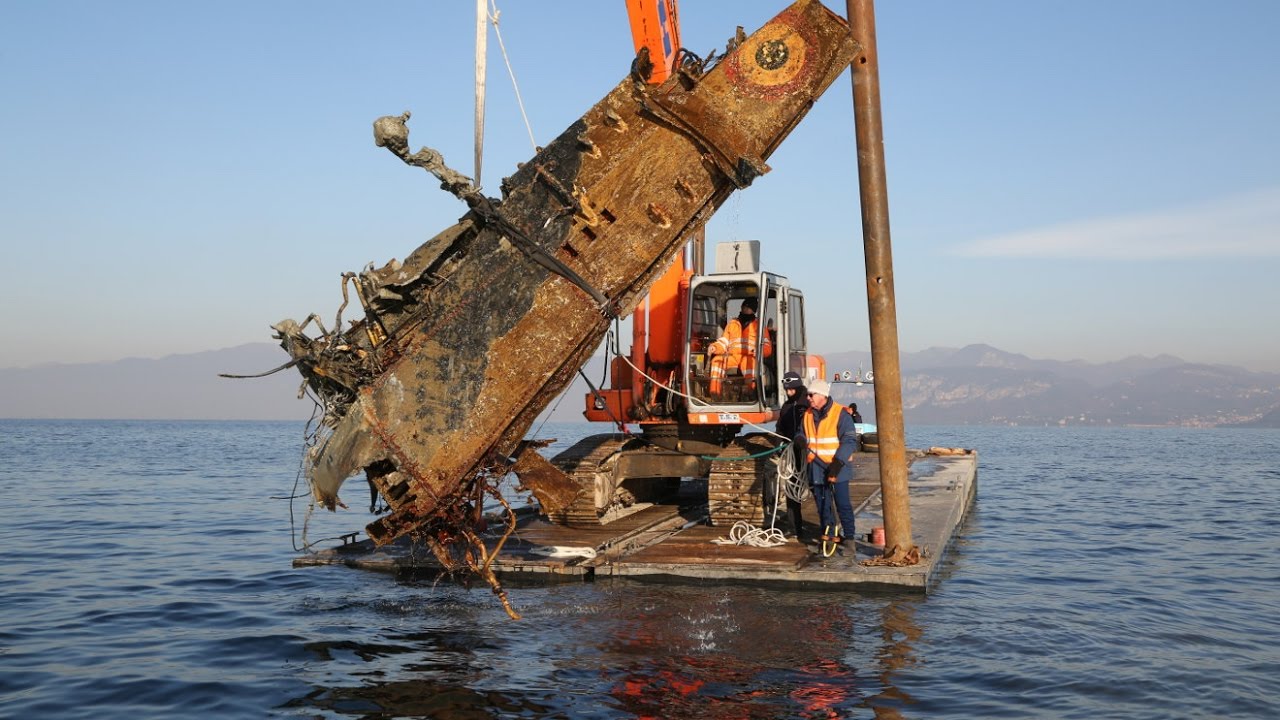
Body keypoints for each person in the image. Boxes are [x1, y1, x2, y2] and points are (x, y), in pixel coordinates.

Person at [794, 379, 858, 551]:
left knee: (842, 504)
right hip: (815, 467)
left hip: (837, 468)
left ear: (822, 395)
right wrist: (799, 438)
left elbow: (850, 441)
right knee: (823, 505)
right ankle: (828, 535)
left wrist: (837, 463)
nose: (808, 398)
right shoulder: (807, 415)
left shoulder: (841, 414)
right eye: (808, 395)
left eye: (811, 394)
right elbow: (801, 432)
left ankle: (850, 539)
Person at [707, 297, 772, 397]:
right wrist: (715, 347)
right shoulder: (732, 324)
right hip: (732, 357)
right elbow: (724, 342)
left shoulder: (760, 326)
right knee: (717, 361)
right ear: (741, 307)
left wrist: (759, 351)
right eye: (745, 306)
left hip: (749, 357)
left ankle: (751, 395)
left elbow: (767, 346)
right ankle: (715, 394)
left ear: (753, 310)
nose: (746, 309)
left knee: (750, 365)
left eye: (749, 307)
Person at [772, 370, 809, 540]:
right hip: (791, 454)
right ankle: (794, 528)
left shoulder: (807, 405)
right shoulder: (786, 407)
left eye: (791, 390)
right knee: (791, 491)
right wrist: (778, 444)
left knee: (819, 490)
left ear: (798, 387)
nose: (789, 393)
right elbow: (780, 428)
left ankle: (828, 529)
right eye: (787, 390)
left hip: (808, 454)